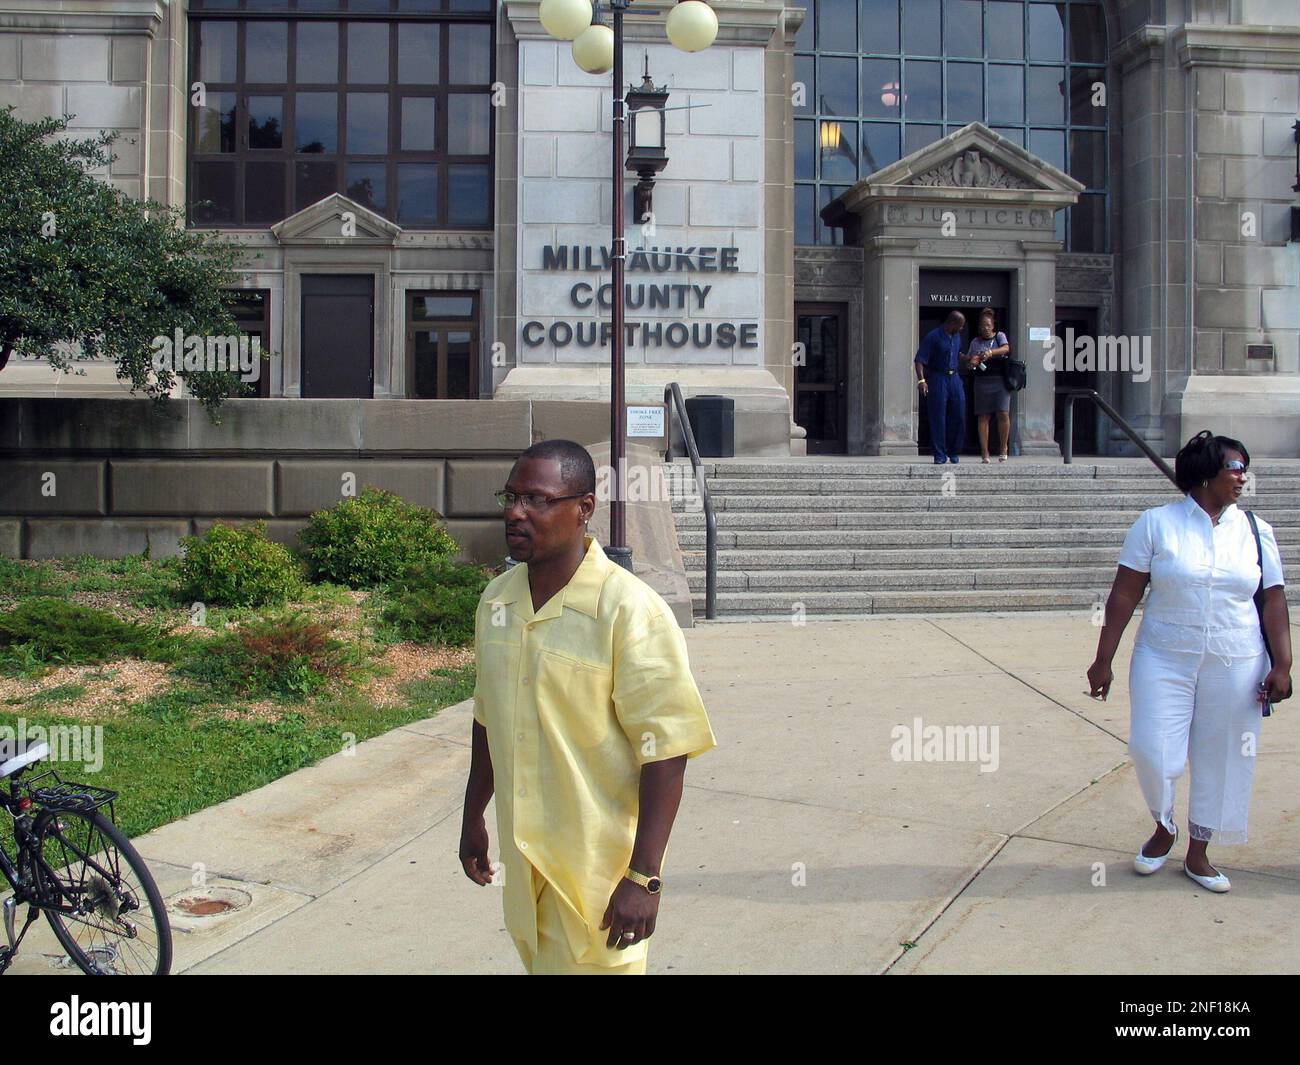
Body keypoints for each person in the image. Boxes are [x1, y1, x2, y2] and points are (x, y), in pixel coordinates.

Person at [459, 439, 716, 973]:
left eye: (537, 499)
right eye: (510, 497)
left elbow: (666, 750)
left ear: (585, 509)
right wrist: (472, 815)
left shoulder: (630, 612)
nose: (516, 512)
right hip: (526, 874)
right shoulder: (497, 602)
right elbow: (488, 717)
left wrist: (645, 877)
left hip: (597, 887)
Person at [1086, 431, 1292, 893]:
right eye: (1234, 468)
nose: (1243, 477)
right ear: (1204, 474)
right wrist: (1104, 658)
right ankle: (1164, 824)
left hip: (1236, 660)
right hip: (1164, 655)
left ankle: (1199, 850)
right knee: (1151, 748)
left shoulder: (1256, 530)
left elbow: (1273, 599)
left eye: (1244, 467)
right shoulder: (1156, 524)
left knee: (1222, 757)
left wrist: (1283, 663)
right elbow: (1124, 594)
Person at [914, 311, 967, 464]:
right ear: (952, 324)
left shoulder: (956, 336)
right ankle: (939, 453)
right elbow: (919, 360)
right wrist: (922, 380)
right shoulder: (933, 336)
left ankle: (954, 451)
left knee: (958, 415)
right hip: (938, 377)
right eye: (960, 326)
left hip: (954, 378)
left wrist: (968, 359)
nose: (962, 329)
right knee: (938, 416)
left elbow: (957, 354)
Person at [966, 308, 1011, 463]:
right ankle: (984, 452)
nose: (984, 328)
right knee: (983, 416)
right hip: (982, 381)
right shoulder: (975, 342)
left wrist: (991, 352)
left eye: (987, 325)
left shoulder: (1000, 336)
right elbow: (970, 360)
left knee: (1003, 413)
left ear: (993, 325)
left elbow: (1006, 349)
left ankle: (1003, 447)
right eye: (981, 325)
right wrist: (972, 361)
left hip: (999, 380)